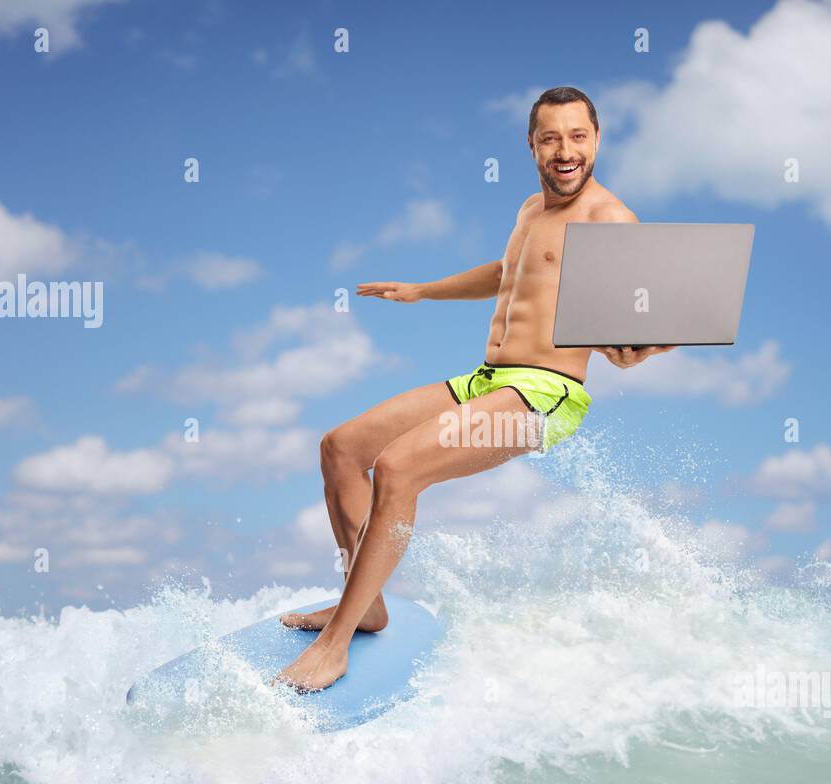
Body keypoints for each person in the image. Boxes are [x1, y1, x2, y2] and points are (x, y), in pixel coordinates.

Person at [273, 86, 674, 691]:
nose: (565, 151)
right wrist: (423, 290)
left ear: (597, 140)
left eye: (578, 136)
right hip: (488, 380)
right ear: (532, 146)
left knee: (399, 467)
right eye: (550, 138)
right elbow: (507, 273)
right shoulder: (529, 211)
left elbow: (639, 318)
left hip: (546, 396)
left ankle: (334, 646)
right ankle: (369, 607)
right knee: (342, 447)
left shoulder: (610, 219)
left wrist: (641, 347)